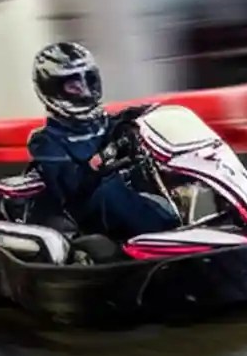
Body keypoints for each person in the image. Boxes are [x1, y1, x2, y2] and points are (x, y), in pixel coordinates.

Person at [27, 42, 179, 240]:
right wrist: (106, 156)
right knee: (109, 191)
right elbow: (72, 185)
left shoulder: (113, 123)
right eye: (73, 85)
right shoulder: (46, 141)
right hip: (90, 214)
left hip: (134, 196)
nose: (84, 90)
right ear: (53, 90)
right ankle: (168, 236)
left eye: (87, 81)